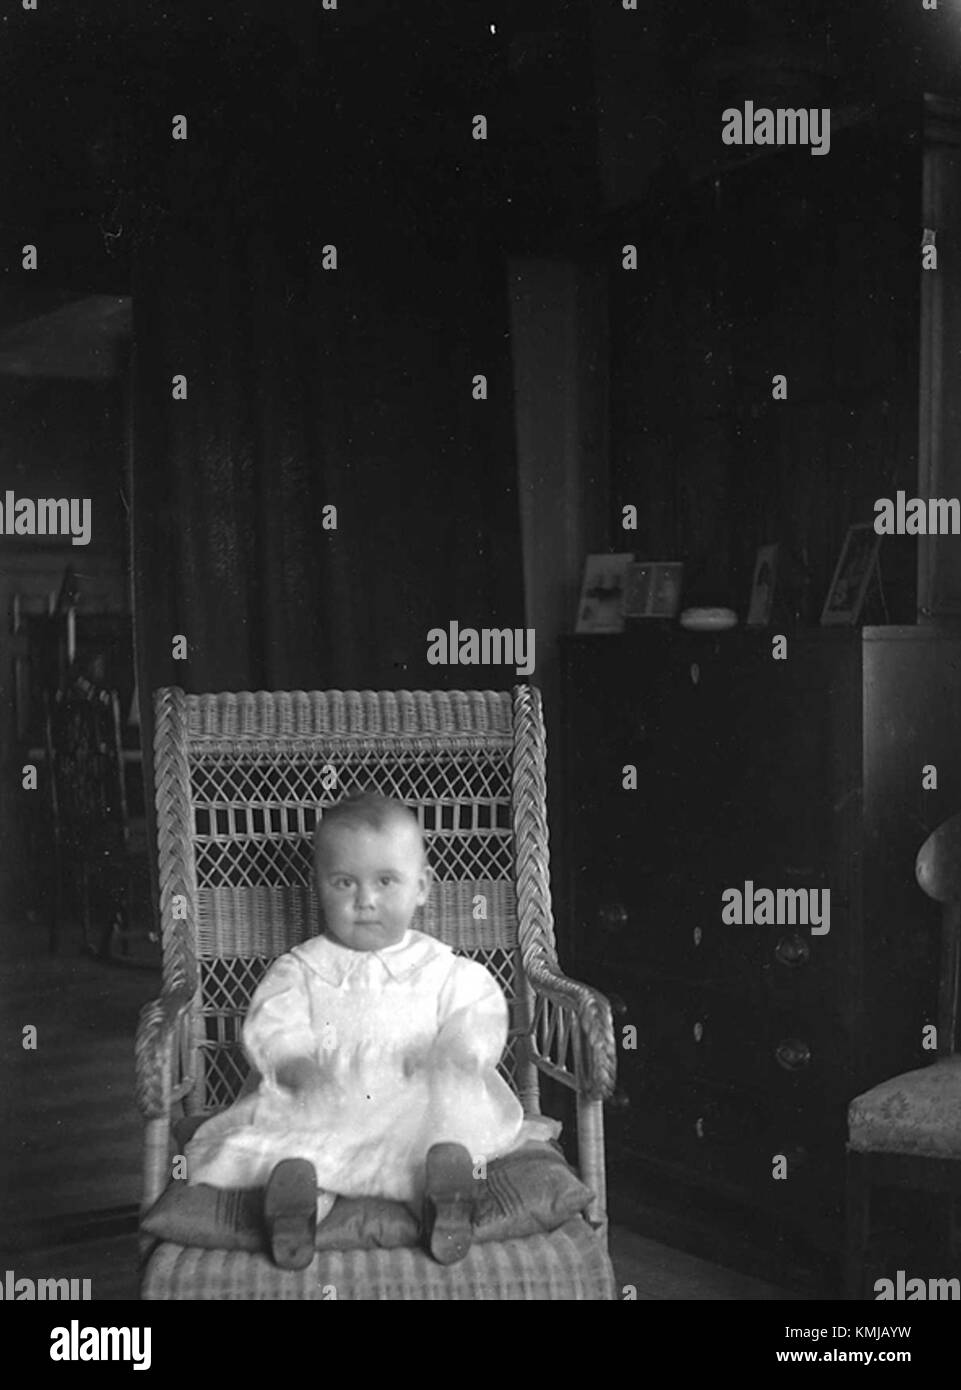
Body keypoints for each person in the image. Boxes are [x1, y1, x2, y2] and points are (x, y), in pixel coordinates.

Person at [183, 791, 532, 1267]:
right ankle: (297, 1208)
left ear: (422, 888)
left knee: (429, 1145)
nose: (365, 901)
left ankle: (443, 1203)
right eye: (344, 883)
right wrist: (295, 1065)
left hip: (415, 1100)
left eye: (386, 881)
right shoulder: (302, 968)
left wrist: (453, 1050)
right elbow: (275, 1024)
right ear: (319, 887)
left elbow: (477, 1012)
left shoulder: (442, 969)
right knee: (300, 1146)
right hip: (327, 1100)